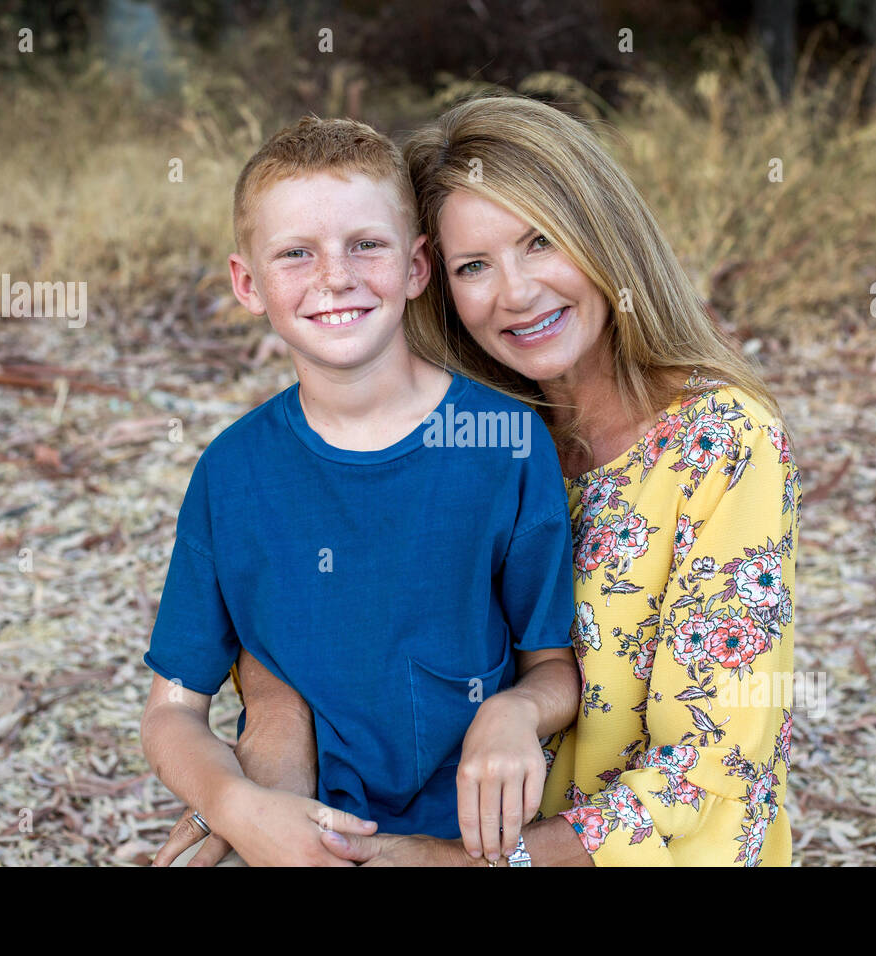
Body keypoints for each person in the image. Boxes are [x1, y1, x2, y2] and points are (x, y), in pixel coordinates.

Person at [155, 94, 801, 867]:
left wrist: (448, 860)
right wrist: (250, 780)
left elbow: (713, 771)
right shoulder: (468, 424)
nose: (516, 292)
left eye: (541, 242)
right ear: (437, 276)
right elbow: (308, 601)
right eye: (474, 266)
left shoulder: (721, 444)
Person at [140, 114, 580, 866]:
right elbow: (172, 711)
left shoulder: (503, 442)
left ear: (416, 268)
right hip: (291, 837)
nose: (335, 277)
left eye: (364, 245)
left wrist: (513, 711)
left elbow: (553, 665)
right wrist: (236, 805)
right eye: (296, 254)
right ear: (248, 283)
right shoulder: (232, 472)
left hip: (460, 848)